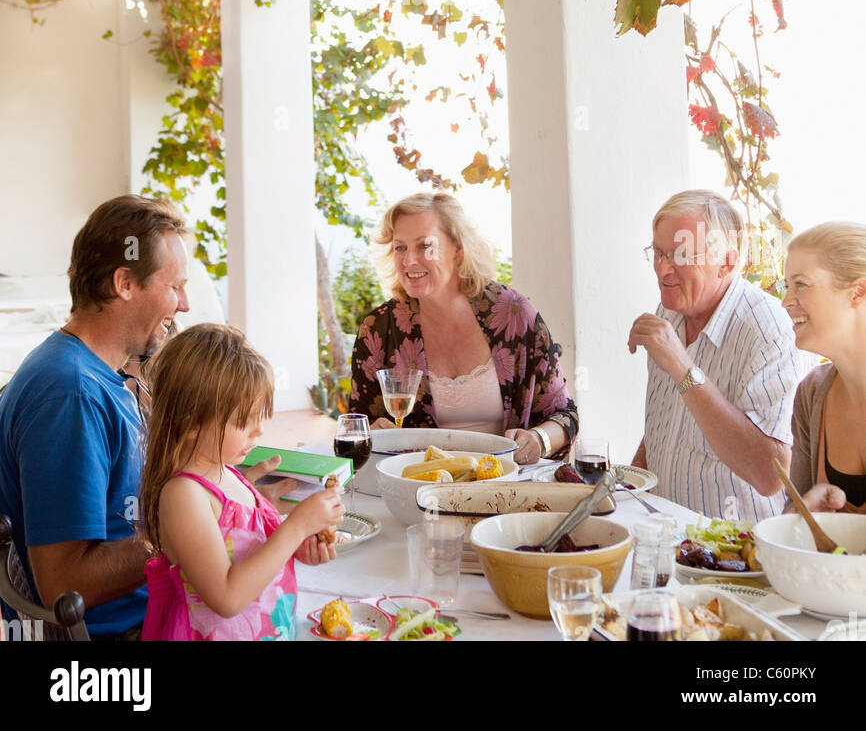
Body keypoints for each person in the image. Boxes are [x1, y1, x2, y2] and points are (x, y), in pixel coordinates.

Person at [0, 195, 293, 639]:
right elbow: (62, 585)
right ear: (125, 283)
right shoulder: (70, 392)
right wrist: (195, 526)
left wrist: (222, 495)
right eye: (175, 286)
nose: (186, 304)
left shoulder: (100, 375)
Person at [140, 324, 343, 641]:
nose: (258, 430)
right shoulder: (184, 495)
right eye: (242, 421)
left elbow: (249, 553)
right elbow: (226, 596)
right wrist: (296, 528)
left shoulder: (229, 474)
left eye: (259, 416)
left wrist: (298, 548)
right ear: (191, 423)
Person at [349, 191, 579, 463]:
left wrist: (539, 440)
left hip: (506, 492)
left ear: (458, 249)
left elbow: (565, 417)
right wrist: (370, 436)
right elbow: (355, 430)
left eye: (425, 246)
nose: (409, 261)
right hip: (416, 496)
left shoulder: (514, 315)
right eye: (400, 247)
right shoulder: (379, 329)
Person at [628, 190, 805, 522]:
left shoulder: (767, 327)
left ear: (727, 262)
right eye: (658, 253)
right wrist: (626, 487)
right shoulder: (669, 314)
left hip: (735, 553)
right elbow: (665, 426)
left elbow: (771, 476)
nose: (663, 270)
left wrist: (683, 369)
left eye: (681, 255)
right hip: (666, 535)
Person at [782, 222, 866, 513]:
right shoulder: (812, 393)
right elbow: (791, 521)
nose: (785, 302)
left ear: (858, 292)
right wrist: (803, 514)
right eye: (786, 286)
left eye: (801, 284)